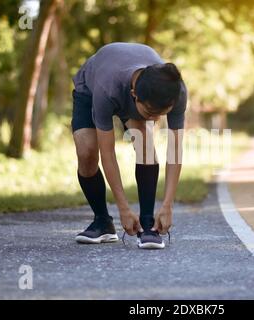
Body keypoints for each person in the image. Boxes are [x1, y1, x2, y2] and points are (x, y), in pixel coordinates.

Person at [71, 42, 187, 249]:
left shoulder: (175, 91)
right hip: (90, 89)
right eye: (151, 113)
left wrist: (168, 205)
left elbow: (175, 151)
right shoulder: (107, 88)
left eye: (163, 113)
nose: (157, 118)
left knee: (145, 143)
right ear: (135, 96)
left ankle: (148, 223)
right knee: (87, 152)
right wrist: (123, 208)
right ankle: (102, 221)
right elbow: (108, 153)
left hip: (132, 88)